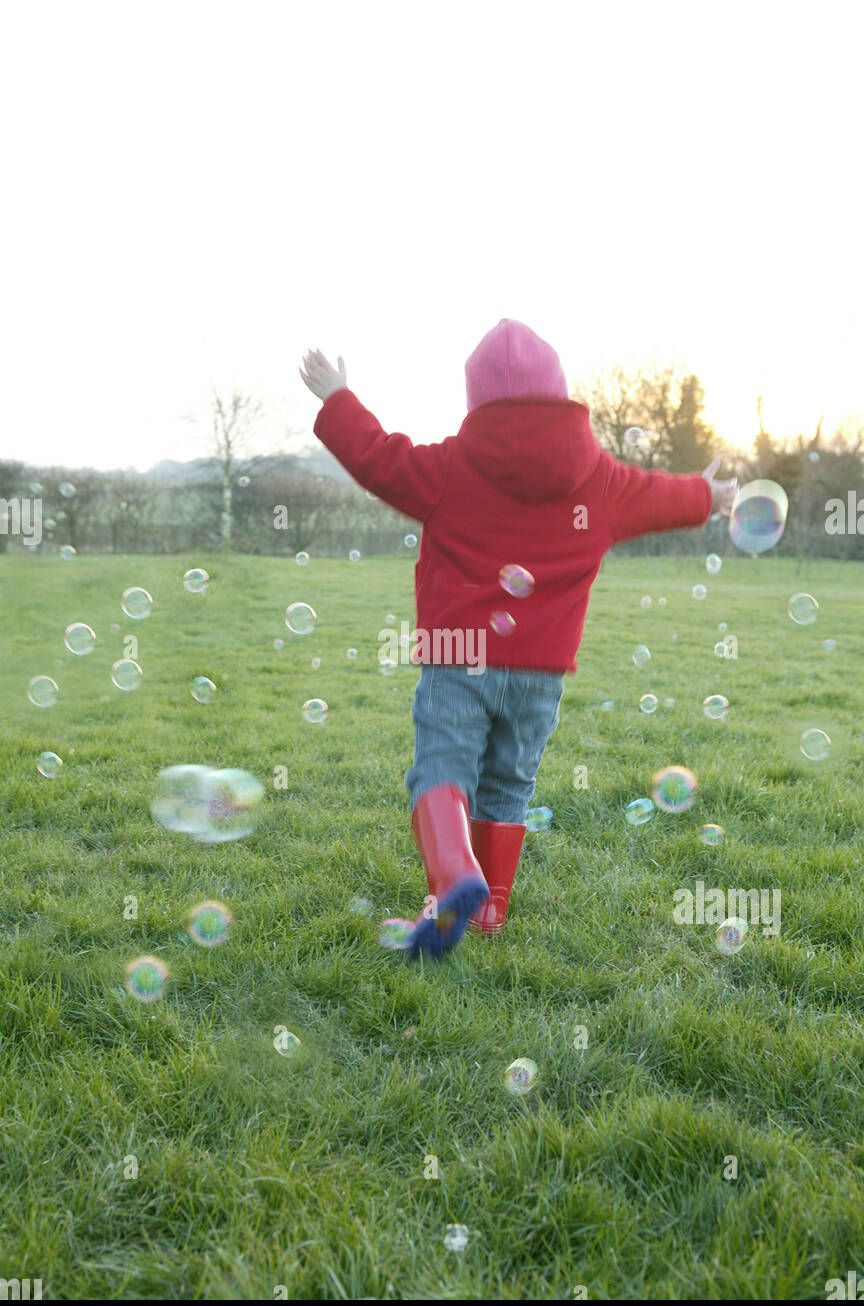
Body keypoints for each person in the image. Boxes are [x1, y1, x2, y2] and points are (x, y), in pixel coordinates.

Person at [299, 320, 737, 958]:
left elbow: (377, 459)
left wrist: (337, 397)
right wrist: (710, 493)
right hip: (541, 671)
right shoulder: (602, 481)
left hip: (458, 659)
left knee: (441, 770)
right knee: (508, 786)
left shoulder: (450, 465)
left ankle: (455, 877)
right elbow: (661, 496)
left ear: (477, 401)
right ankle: (489, 913)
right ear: (561, 396)